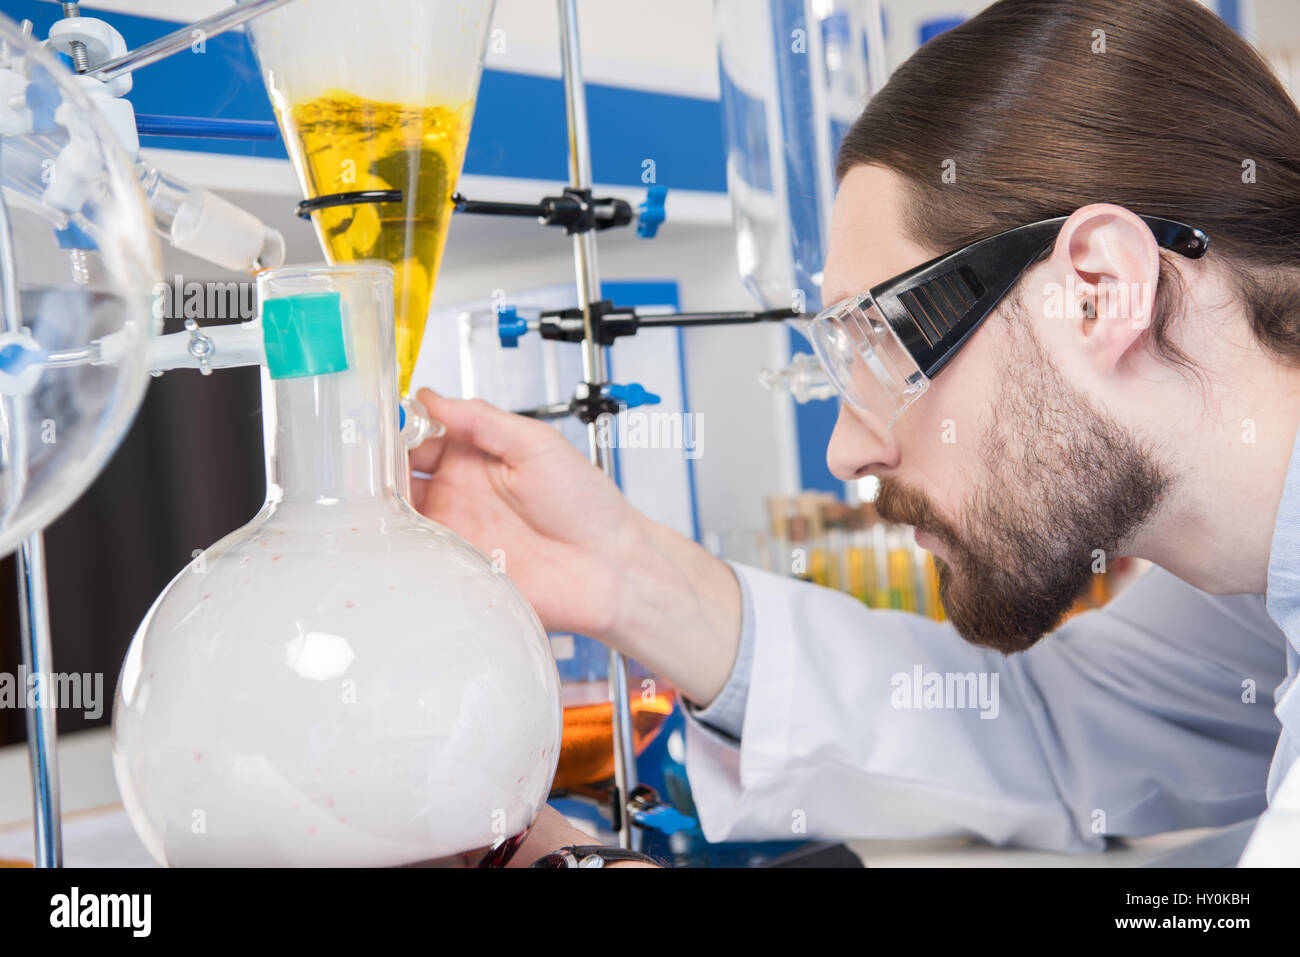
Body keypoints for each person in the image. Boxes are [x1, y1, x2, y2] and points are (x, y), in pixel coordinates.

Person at [412, 0, 1300, 866]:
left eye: (886, 344)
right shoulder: (1254, 592)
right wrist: (621, 577)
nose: (848, 452)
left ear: (1099, 291)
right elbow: (1058, 730)